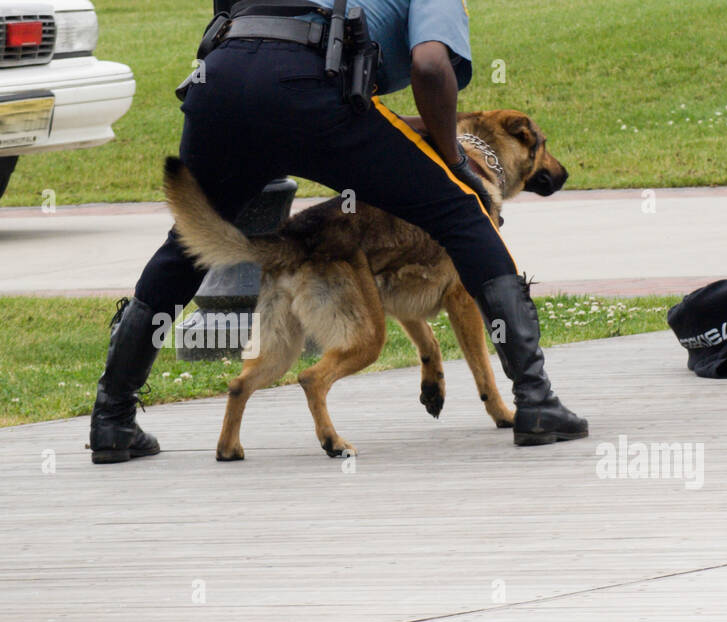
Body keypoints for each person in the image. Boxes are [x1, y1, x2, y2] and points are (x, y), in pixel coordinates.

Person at [89, 0, 587, 463]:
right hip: (314, 89)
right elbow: (432, 67)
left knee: (185, 244)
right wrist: (457, 163)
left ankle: (112, 418)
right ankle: (535, 399)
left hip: (218, 84)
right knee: (464, 210)